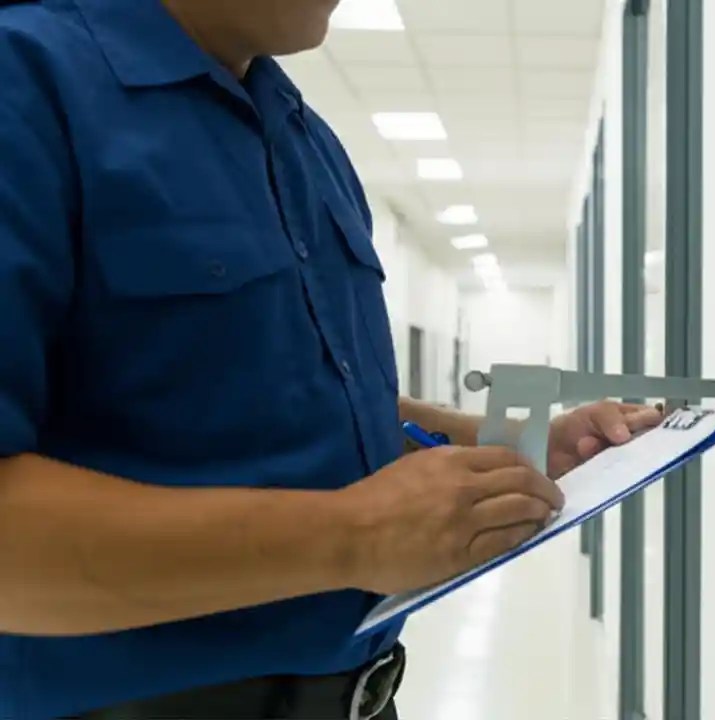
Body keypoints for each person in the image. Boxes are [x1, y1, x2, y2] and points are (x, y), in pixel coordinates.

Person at [0, 0, 662, 717]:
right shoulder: (24, 81)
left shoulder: (300, 136)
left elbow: (295, 398)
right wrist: (351, 535)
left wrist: (511, 448)